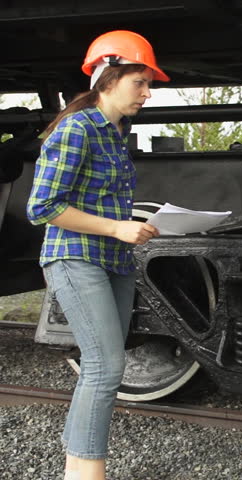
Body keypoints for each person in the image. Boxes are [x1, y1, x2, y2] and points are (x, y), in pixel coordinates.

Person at [26, 30, 168, 480]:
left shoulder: (114, 134)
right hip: (75, 257)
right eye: (140, 83)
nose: (147, 93)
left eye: (149, 85)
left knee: (104, 366)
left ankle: (79, 467)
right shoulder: (77, 128)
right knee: (106, 368)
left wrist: (137, 229)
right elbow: (42, 207)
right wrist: (117, 227)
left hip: (114, 260)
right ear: (109, 77)